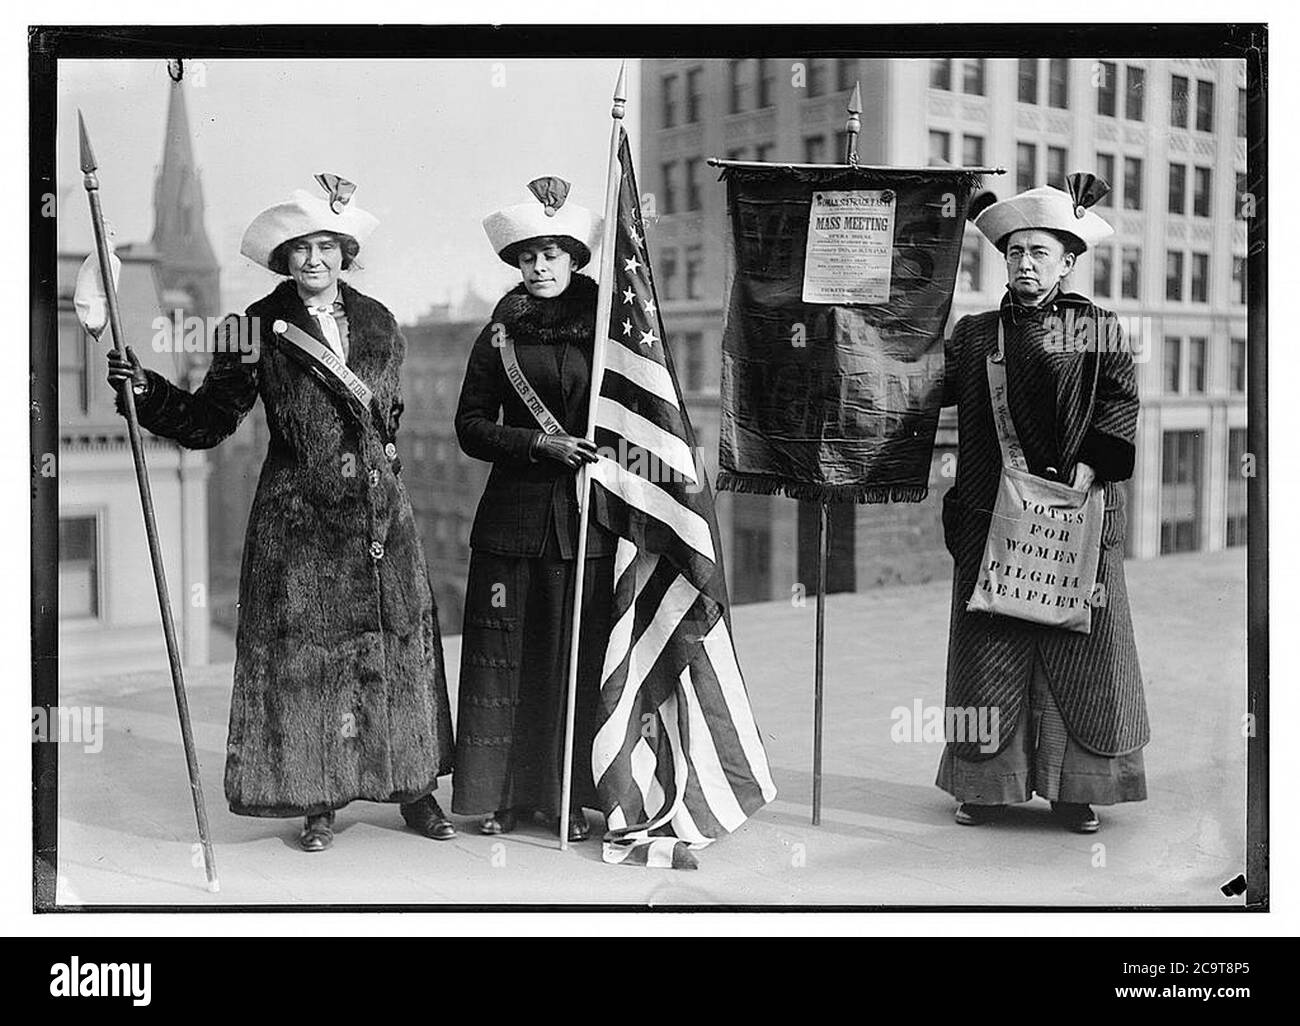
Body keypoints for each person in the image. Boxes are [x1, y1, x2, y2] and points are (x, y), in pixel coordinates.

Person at [103, 176, 456, 851]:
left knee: (400, 649)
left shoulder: (381, 320)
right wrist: (145, 389)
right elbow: (208, 421)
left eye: (325, 246)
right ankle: (316, 799)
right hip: (300, 520)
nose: (313, 260)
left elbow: (388, 416)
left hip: (383, 518)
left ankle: (415, 788)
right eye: (300, 248)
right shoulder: (251, 327)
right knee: (307, 660)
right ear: (283, 257)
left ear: (344, 250)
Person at [935, 175, 1148, 834]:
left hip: (1073, 516)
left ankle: (1075, 790)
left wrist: (1088, 469)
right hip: (988, 517)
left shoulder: (1096, 329)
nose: (1025, 265)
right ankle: (985, 785)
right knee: (990, 649)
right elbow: (926, 391)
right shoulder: (974, 336)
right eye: (1015, 253)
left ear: (1068, 261)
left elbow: (1118, 401)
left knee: (1077, 654)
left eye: (1039, 253)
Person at [452, 176, 617, 842]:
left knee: (570, 659)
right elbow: (468, 425)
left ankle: (567, 797)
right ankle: (501, 796)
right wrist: (536, 442)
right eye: (528, 256)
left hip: (585, 519)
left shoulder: (610, 328)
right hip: (512, 521)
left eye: (552, 253)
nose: (539, 266)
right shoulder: (501, 332)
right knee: (505, 659)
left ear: (575, 258)